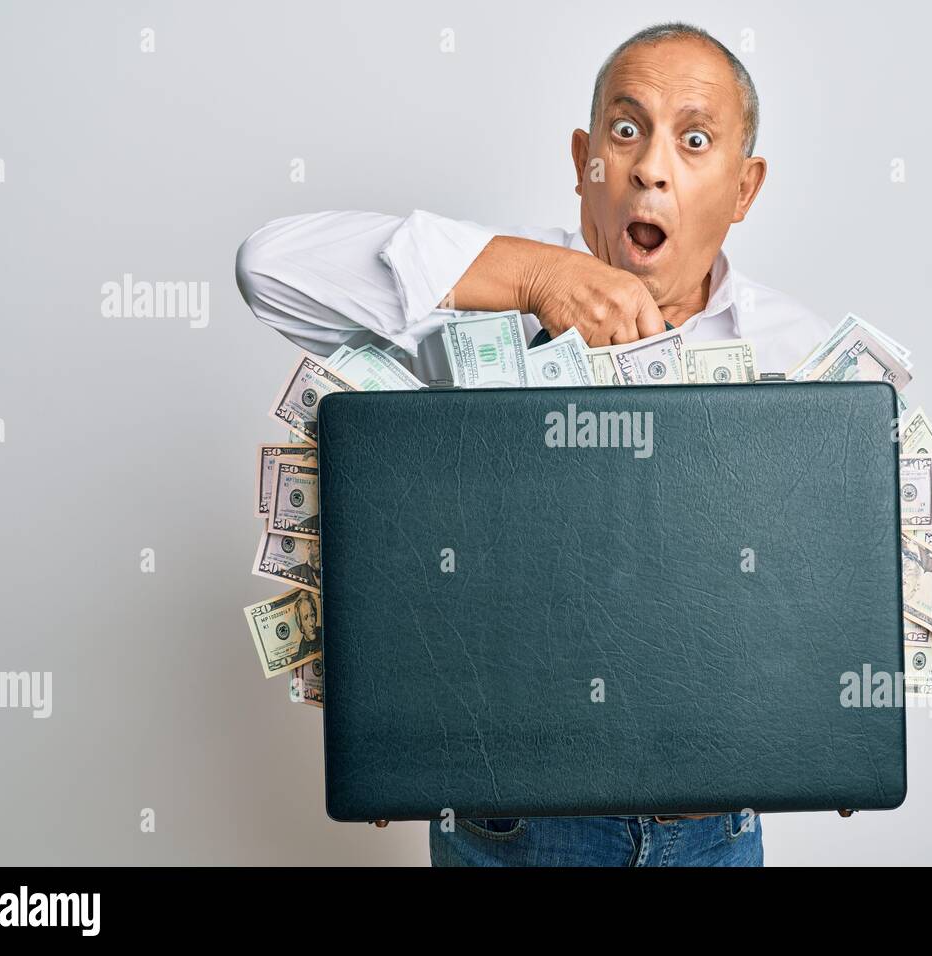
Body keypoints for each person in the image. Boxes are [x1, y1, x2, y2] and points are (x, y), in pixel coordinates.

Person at [236, 21, 832, 866]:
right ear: (587, 160)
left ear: (744, 187)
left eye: (695, 141)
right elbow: (267, 268)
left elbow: (822, 602)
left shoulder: (802, 357)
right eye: (626, 132)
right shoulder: (485, 298)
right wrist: (534, 275)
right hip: (513, 828)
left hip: (717, 832)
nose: (651, 167)